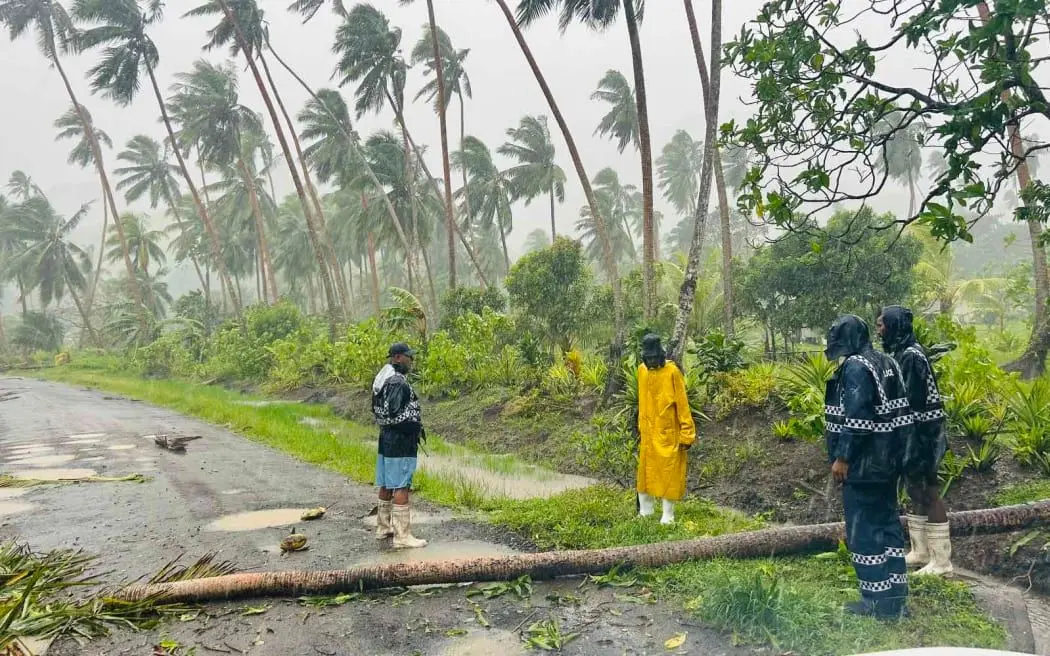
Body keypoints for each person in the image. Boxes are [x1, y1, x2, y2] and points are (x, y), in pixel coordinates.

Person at [824, 315, 911, 619]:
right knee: (889, 527)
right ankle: (897, 600)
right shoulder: (887, 361)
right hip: (888, 464)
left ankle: (875, 602)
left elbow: (858, 418)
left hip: (863, 466)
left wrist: (843, 457)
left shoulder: (856, 367)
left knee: (863, 532)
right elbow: (901, 414)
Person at [878, 306, 952, 576]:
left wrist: (908, 442)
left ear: (894, 326)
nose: (879, 330)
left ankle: (942, 561)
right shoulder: (902, 353)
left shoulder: (911, 356)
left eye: (882, 325)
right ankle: (921, 551)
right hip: (912, 433)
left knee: (929, 491)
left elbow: (913, 404)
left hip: (922, 434)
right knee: (915, 491)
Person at [636, 334, 696, 525]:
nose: (652, 361)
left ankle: (667, 516)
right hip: (648, 433)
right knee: (645, 474)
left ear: (661, 355)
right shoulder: (642, 371)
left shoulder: (672, 372)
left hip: (668, 433)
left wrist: (687, 433)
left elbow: (682, 404)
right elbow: (642, 402)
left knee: (669, 474)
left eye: (654, 358)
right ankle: (645, 512)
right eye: (649, 358)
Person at [372, 342, 427, 549]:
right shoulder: (398, 383)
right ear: (397, 358)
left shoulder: (382, 379)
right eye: (407, 357)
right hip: (400, 440)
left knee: (386, 482)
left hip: (386, 437)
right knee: (401, 484)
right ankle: (402, 536)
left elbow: (379, 412)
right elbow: (395, 413)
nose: (411, 361)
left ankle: (383, 527)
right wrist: (413, 425)